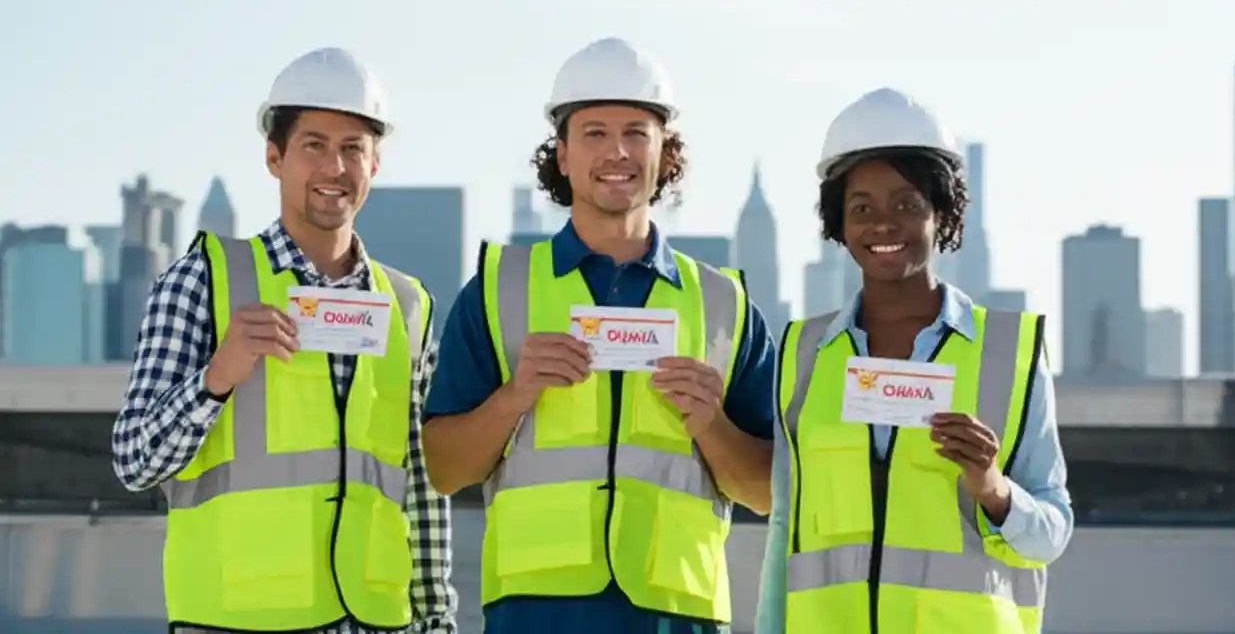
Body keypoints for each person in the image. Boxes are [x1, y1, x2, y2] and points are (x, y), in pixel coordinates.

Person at [422, 37, 776, 634]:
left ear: (666, 153)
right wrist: (514, 396)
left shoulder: (724, 305)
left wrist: (710, 422)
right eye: (594, 133)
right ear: (561, 154)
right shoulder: (496, 291)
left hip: (678, 616)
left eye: (637, 132)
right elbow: (442, 471)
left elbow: (766, 493)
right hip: (534, 614)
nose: (617, 151)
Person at [110, 47, 457, 633]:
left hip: (375, 621)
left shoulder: (407, 306)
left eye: (353, 148)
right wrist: (217, 377)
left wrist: (437, 620)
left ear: (375, 164)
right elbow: (134, 460)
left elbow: (421, 490)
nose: (335, 167)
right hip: (238, 620)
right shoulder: (204, 281)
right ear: (275, 157)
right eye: (314, 146)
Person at [755, 88, 1074, 633]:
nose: (883, 225)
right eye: (862, 209)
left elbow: (1051, 532)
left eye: (907, 204)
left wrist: (991, 486)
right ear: (839, 222)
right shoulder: (802, 354)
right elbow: (786, 527)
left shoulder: (1007, 353)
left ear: (941, 215)